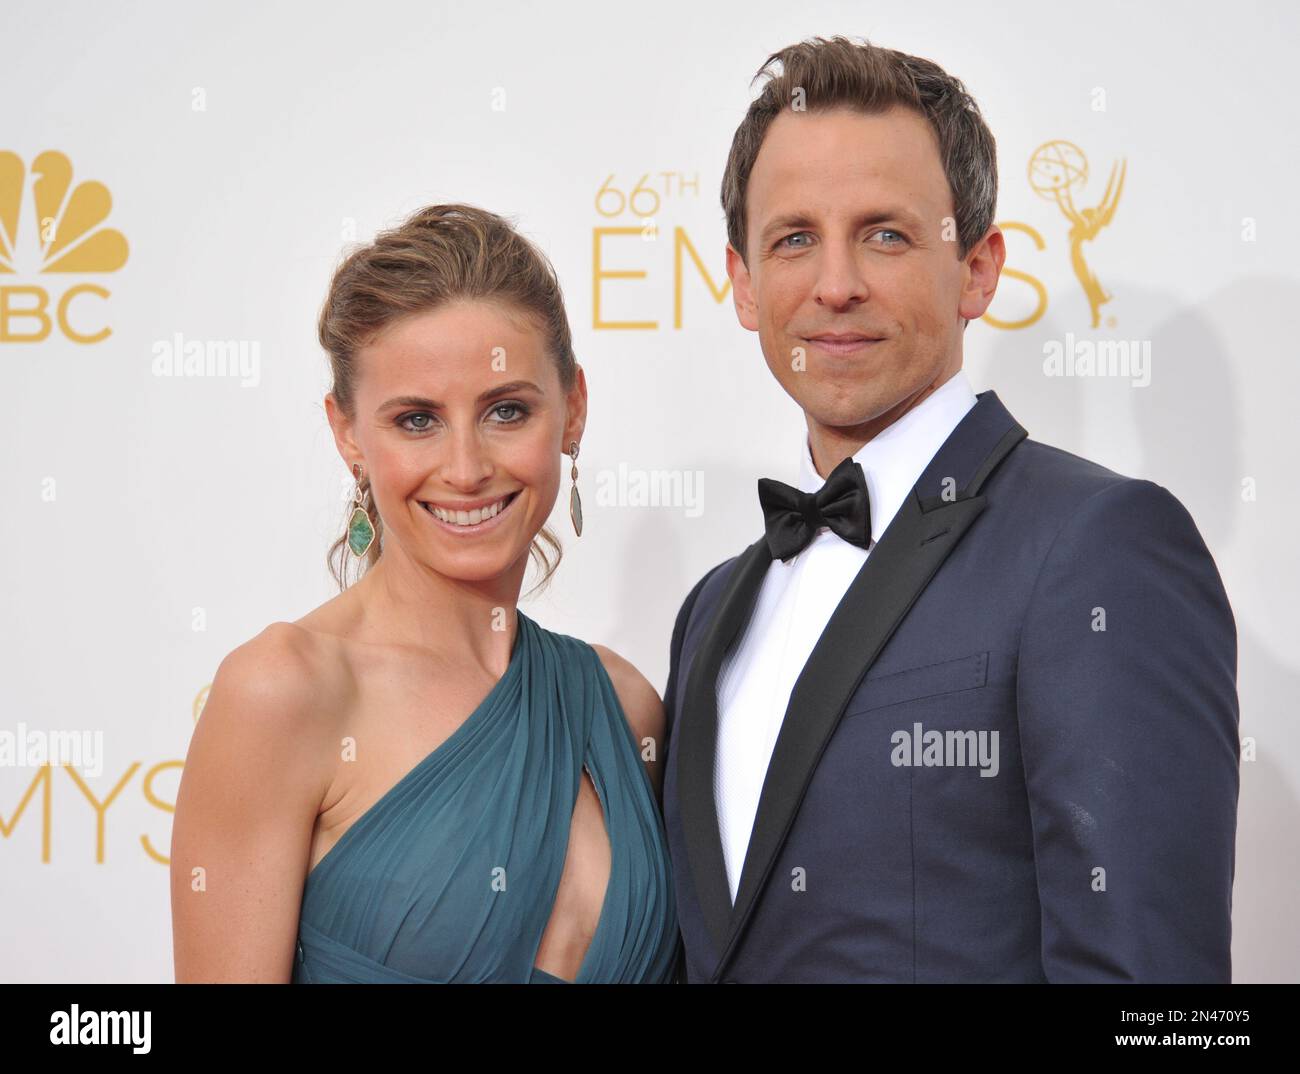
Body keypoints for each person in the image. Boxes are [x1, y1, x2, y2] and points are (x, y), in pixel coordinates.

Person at [662, 35, 1239, 983]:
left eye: (885, 234)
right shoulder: (711, 610)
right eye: (794, 238)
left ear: (978, 269)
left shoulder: (1096, 547)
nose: (836, 284)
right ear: (743, 283)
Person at [170, 203, 680, 983]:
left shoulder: (623, 706)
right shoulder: (284, 692)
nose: (466, 468)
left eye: (507, 410)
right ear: (348, 434)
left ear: (573, 409)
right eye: (416, 420)